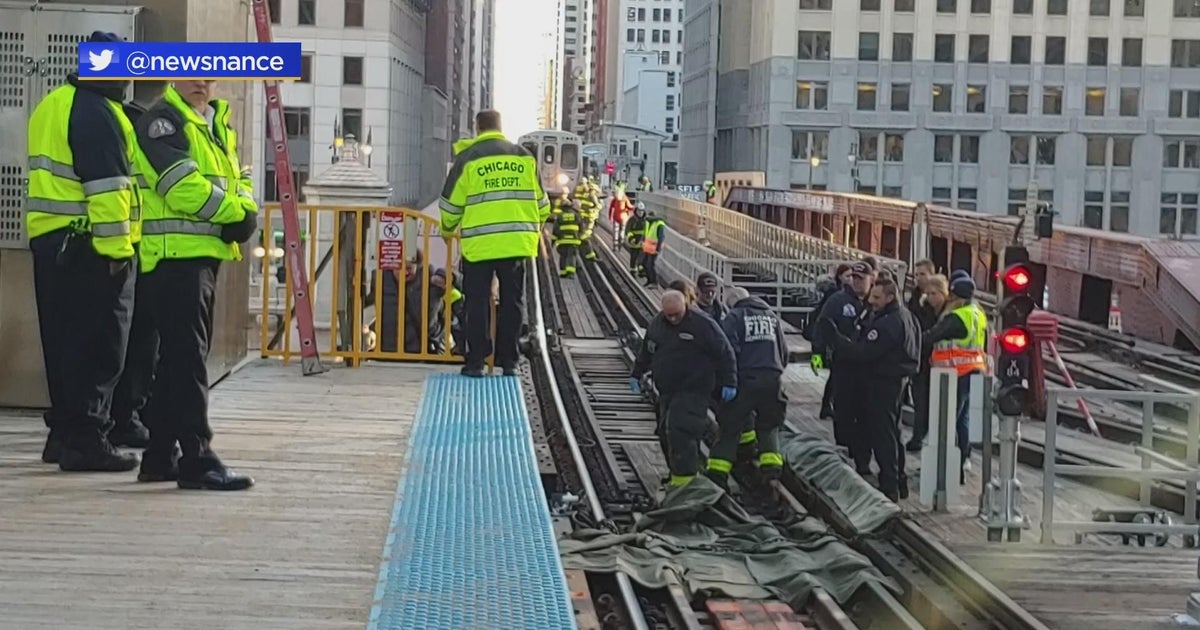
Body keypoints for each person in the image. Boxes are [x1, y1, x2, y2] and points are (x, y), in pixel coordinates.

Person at [133, 80, 258, 490]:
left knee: (178, 358)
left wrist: (243, 208)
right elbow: (179, 185)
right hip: (173, 258)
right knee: (186, 358)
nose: (201, 81)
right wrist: (233, 213)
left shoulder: (214, 123)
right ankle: (197, 457)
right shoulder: (163, 122)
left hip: (201, 255)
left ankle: (160, 454)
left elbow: (239, 178)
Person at [26, 31, 141, 472]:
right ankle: (87, 440)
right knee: (100, 346)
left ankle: (63, 433)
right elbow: (108, 189)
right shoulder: (98, 113)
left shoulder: (53, 103)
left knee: (64, 344)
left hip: (52, 243)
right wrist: (117, 253)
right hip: (92, 247)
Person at [439, 110, 550, 377]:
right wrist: (531, 227)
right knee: (513, 302)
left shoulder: (467, 158)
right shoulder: (524, 157)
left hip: (480, 246)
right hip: (516, 243)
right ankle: (509, 361)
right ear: (501, 127)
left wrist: (447, 230)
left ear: (478, 128)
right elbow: (543, 205)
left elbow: (450, 205)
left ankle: (476, 361)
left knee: (476, 301)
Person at [630, 290, 737, 488]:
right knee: (664, 431)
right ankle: (676, 473)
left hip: (695, 388)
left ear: (684, 307)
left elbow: (725, 352)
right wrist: (636, 373)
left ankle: (686, 483)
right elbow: (647, 349)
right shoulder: (657, 324)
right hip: (667, 389)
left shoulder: (703, 324)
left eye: (676, 314)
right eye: (668, 315)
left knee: (681, 429)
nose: (673, 319)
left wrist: (730, 381)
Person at [830, 279, 920, 501]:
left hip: (883, 382)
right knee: (893, 432)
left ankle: (890, 485)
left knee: (883, 434)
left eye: (877, 298)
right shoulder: (907, 317)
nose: (872, 301)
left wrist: (838, 341)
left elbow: (864, 352)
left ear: (890, 297)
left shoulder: (888, 323)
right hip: (898, 381)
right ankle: (898, 479)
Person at [107, 98, 155, 451]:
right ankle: (126, 416)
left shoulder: (125, 120)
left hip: (125, 248)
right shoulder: (140, 123)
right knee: (138, 340)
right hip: (136, 249)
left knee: (125, 339)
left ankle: (123, 415)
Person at [707, 287, 789, 490]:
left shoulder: (734, 318)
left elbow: (726, 352)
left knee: (729, 427)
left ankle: (717, 476)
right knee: (769, 425)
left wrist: (724, 380)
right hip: (772, 379)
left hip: (744, 380)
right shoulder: (772, 317)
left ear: (731, 302)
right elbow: (784, 350)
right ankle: (771, 473)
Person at [923, 273, 988, 484]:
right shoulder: (978, 312)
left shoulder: (956, 317)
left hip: (957, 374)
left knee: (948, 422)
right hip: (975, 371)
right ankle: (962, 461)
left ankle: (951, 472)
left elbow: (931, 336)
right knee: (963, 420)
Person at [810, 261, 872, 473]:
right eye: (853, 278)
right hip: (844, 365)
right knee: (843, 411)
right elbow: (823, 325)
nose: (856, 282)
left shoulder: (874, 303)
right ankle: (844, 452)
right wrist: (817, 353)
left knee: (865, 415)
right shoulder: (838, 301)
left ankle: (863, 460)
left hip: (868, 369)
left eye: (860, 279)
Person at [905, 260, 940, 451]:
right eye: (916, 274)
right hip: (918, 354)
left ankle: (921, 436)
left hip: (932, 356)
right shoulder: (915, 297)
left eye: (922, 274)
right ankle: (919, 435)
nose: (918, 278)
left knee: (928, 399)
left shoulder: (934, 299)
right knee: (919, 398)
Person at [550, 196, 582, 277]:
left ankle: (563, 273)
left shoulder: (560, 216)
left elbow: (555, 230)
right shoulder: (576, 215)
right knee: (571, 256)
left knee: (563, 256)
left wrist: (552, 242)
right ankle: (571, 273)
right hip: (574, 240)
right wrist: (580, 238)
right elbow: (581, 227)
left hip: (562, 241)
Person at [573, 181, 600, 262]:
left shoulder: (585, 195)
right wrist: (600, 205)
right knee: (586, 235)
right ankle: (587, 251)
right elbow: (597, 206)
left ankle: (585, 251)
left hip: (583, 217)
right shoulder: (592, 196)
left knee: (583, 233)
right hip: (590, 218)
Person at [640, 212, 666, 287]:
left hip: (654, 248)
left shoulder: (659, 224)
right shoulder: (649, 223)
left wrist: (658, 249)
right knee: (645, 264)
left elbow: (660, 238)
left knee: (650, 265)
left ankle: (654, 282)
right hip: (648, 248)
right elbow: (646, 234)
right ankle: (649, 280)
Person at [623, 201, 648, 274]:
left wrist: (645, 240)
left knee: (641, 257)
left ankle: (641, 270)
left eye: (642, 211)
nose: (640, 213)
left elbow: (646, 231)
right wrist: (631, 238)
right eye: (639, 211)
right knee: (634, 256)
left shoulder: (645, 220)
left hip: (641, 242)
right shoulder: (632, 220)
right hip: (634, 242)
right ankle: (633, 270)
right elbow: (628, 230)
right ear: (636, 210)